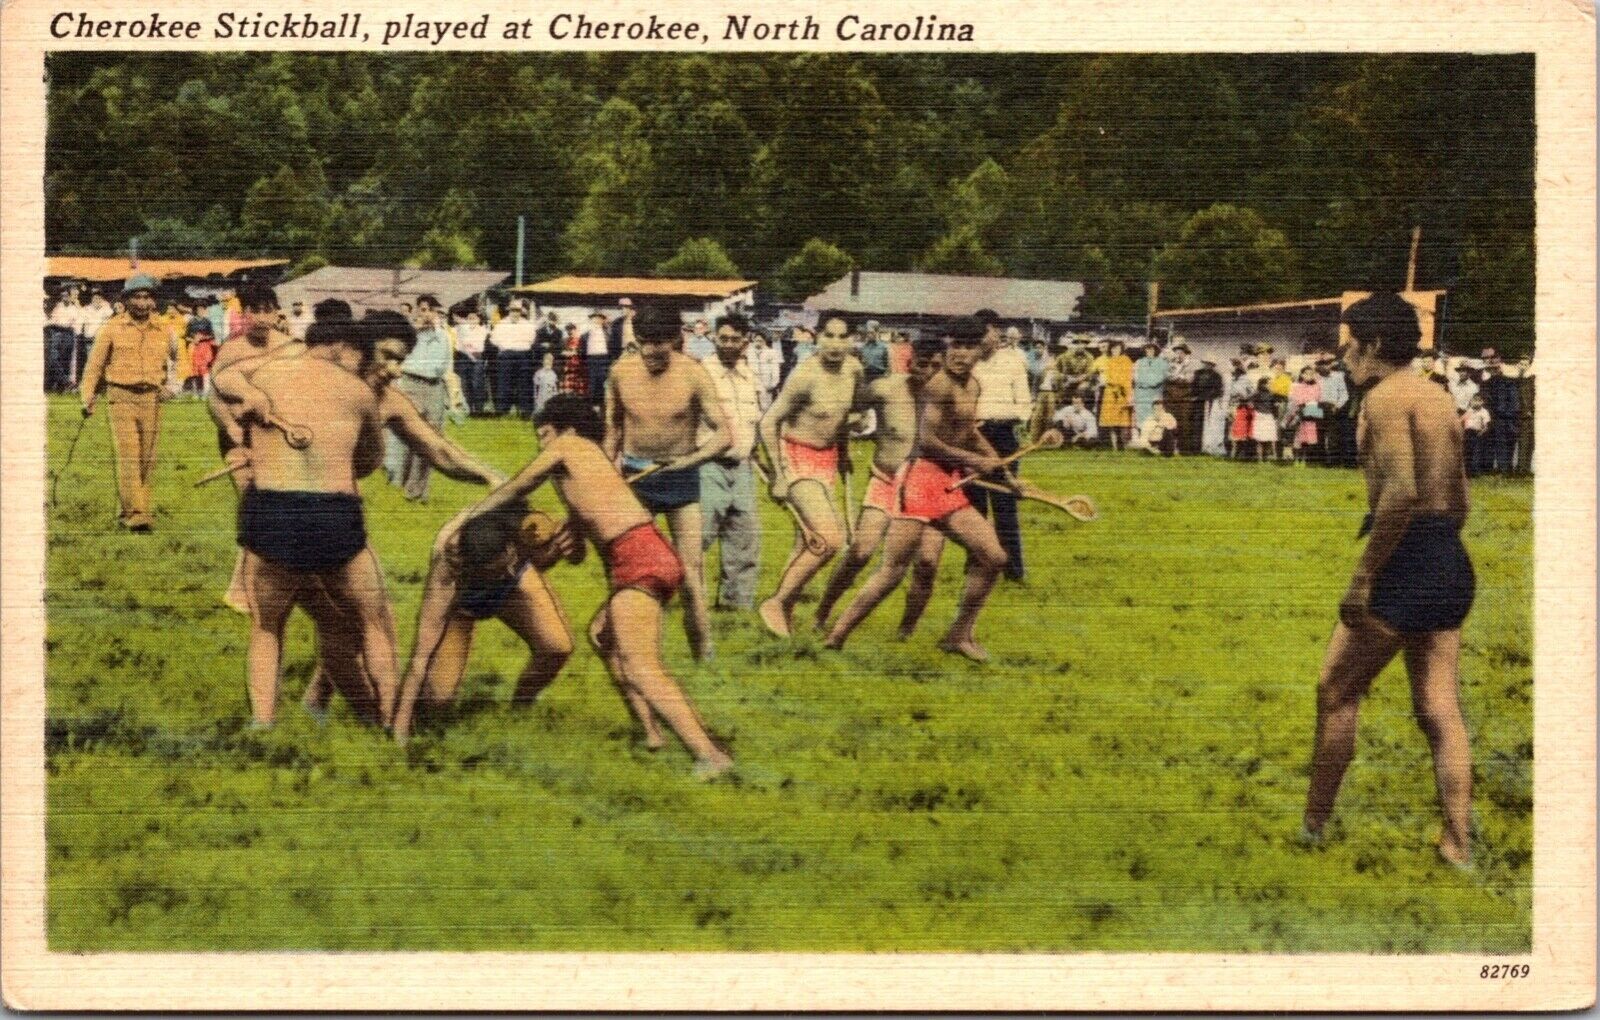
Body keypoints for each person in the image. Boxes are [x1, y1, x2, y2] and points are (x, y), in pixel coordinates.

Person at [425, 394, 733, 776]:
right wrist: (564, 543)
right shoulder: (584, 471)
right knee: (603, 637)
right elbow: (578, 553)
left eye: (544, 434)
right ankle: (651, 734)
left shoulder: (570, 447)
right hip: (642, 557)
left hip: (640, 559)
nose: (541, 444)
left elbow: (517, 486)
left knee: (642, 667)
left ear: (567, 430)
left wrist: (463, 521)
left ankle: (709, 755)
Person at [1302, 292, 1476, 869]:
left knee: (1335, 690)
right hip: (1448, 556)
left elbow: (1400, 492)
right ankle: (1458, 844)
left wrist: (1364, 577)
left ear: (1373, 345)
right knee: (1439, 708)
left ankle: (1312, 830)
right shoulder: (1438, 396)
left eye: (1349, 344)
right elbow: (1461, 497)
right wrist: (1434, 552)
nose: (1343, 355)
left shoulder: (1382, 399)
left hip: (1405, 559)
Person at [224, 318, 401, 728]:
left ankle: (263, 724)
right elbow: (370, 461)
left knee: (267, 627)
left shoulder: (263, 374)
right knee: (372, 622)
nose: (361, 367)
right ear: (341, 348)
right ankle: (392, 723)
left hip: (271, 508)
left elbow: (223, 377)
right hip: (333, 512)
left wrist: (251, 396)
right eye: (359, 358)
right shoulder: (358, 392)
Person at [825, 318, 1017, 662]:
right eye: (955, 346)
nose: (960, 354)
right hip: (919, 480)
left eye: (969, 347)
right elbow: (927, 442)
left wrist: (1002, 471)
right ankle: (835, 637)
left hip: (946, 483)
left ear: (980, 351)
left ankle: (958, 635)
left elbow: (969, 432)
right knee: (893, 570)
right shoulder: (939, 386)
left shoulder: (973, 385)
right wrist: (974, 460)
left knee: (994, 557)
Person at [604, 304, 732, 661]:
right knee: (629, 570)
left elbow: (725, 435)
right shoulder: (620, 372)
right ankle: (622, 652)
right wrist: (607, 473)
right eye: (643, 342)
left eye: (658, 343)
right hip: (635, 477)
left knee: (690, 573)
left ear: (675, 339)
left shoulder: (693, 374)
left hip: (680, 478)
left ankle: (704, 657)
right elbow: (613, 430)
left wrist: (686, 462)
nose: (649, 351)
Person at [392, 504, 579, 733]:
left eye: (507, 562)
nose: (507, 571)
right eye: (496, 571)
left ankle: (521, 710)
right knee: (437, 700)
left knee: (557, 647)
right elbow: (419, 657)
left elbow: (564, 551)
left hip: (513, 588)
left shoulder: (526, 527)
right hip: (462, 607)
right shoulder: (446, 580)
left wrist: (568, 539)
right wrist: (399, 731)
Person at [814, 335, 942, 631]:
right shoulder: (885, 388)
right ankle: (821, 613)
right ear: (910, 363)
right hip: (886, 481)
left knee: (927, 563)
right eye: (923, 364)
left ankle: (905, 633)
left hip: (928, 489)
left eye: (937, 366)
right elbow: (845, 414)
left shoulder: (949, 397)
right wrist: (843, 449)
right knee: (861, 552)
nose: (929, 372)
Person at [756, 316, 862, 638]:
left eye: (842, 337)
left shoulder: (855, 370)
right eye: (828, 335)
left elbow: (843, 417)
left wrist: (843, 453)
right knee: (830, 540)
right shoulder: (804, 375)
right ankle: (775, 603)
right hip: (795, 457)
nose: (835, 344)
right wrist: (778, 475)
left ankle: (783, 616)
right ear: (817, 337)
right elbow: (768, 423)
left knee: (806, 543)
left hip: (827, 460)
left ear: (852, 340)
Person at [77, 273, 178, 532]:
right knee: (129, 455)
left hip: (152, 399)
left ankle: (129, 510)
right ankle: (137, 514)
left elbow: (180, 360)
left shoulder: (164, 329)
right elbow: (94, 366)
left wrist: (172, 386)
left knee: (147, 458)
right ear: (126, 300)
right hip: (120, 397)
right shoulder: (112, 328)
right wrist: (87, 397)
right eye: (137, 297)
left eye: (147, 297)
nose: (142, 303)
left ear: (154, 301)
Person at [698, 315, 765, 612]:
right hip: (708, 465)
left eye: (734, 339)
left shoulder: (750, 376)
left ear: (745, 342)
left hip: (743, 468)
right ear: (714, 338)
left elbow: (756, 422)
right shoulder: (701, 373)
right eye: (722, 338)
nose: (727, 344)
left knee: (744, 537)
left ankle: (734, 607)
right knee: (699, 536)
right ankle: (686, 600)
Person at [970, 313, 1032, 581]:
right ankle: (976, 567)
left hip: (1004, 435)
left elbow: (1024, 404)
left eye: (986, 332)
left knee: (1005, 504)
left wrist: (1006, 419)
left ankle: (1013, 571)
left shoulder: (1013, 362)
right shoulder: (968, 362)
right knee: (975, 506)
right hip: (972, 437)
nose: (982, 339)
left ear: (996, 332)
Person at [383, 294, 451, 501]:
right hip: (410, 384)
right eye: (422, 310)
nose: (426, 314)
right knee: (406, 436)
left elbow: (442, 366)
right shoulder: (409, 335)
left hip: (434, 387)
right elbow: (397, 358)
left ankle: (417, 490)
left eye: (430, 310)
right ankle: (398, 481)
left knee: (430, 439)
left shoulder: (442, 336)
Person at [490, 302, 537, 418]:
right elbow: (494, 340)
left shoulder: (527, 324)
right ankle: (502, 410)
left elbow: (532, 339)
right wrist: (506, 345)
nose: (515, 313)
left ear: (521, 312)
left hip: (523, 355)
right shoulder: (501, 324)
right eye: (513, 310)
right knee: (504, 383)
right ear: (509, 311)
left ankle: (525, 411)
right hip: (506, 355)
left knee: (524, 384)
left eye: (517, 311)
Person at [1478, 352, 1520, 475]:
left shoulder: (1509, 383)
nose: (1494, 371)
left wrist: (1507, 415)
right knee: (1489, 444)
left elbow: (1514, 402)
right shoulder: (1485, 384)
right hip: (1489, 418)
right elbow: (1482, 401)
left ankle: (1505, 469)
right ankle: (1488, 469)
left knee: (1504, 444)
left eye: (1496, 369)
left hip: (1504, 419)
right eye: (1491, 369)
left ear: (1500, 369)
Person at [1131, 340, 1170, 449]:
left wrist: (1146, 382)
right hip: (1141, 394)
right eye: (1147, 349)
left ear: (1156, 350)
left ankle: (1155, 444)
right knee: (1141, 418)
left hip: (1154, 394)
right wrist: (1144, 382)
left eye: (1151, 349)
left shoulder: (1162, 363)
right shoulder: (1139, 362)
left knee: (1155, 418)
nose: (1149, 351)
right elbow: (1135, 377)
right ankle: (1144, 444)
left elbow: (1159, 378)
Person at [1317, 354, 1354, 468]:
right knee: (1319, 434)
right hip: (1318, 406)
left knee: (1333, 435)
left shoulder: (1338, 376)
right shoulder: (1316, 377)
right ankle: (1321, 461)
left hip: (1332, 407)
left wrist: (1337, 406)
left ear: (1331, 364)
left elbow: (1344, 394)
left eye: (1327, 364)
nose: (1325, 366)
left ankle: (1333, 461)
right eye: (1321, 364)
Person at [1096, 339, 1134, 449]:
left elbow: (1128, 378)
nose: (1115, 350)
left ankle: (1121, 444)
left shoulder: (1126, 360)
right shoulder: (1109, 361)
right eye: (1113, 348)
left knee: (1121, 419)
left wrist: (1128, 395)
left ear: (1121, 349)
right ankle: (1110, 445)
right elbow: (1106, 378)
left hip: (1122, 392)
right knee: (1109, 420)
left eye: (1117, 348)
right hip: (1110, 392)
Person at [594, 298, 634, 400]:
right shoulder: (617, 322)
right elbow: (612, 341)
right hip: (620, 354)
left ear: (630, 308)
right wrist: (613, 356)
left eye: (624, 307)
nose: (622, 310)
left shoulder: (637, 320)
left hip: (635, 353)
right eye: (620, 308)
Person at [453, 309, 491, 415]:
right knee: (465, 384)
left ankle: (479, 409)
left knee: (477, 384)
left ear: (479, 319)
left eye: (473, 318)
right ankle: (470, 409)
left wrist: (467, 343)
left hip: (477, 358)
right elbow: (458, 344)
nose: (471, 320)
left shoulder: (483, 330)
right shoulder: (461, 329)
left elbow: (478, 346)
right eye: (469, 318)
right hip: (463, 358)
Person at [1287, 365, 1324, 466]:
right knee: (1298, 437)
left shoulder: (1317, 386)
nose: (1309, 376)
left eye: (1311, 374)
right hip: (1300, 413)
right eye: (1306, 374)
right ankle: (1296, 459)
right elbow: (1295, 399)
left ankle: (1304, 460)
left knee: (1309, 438)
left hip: (1312, 413)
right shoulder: (1297, 386)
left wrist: (1312, 404)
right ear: (1302, 375)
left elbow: (1318, 398)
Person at [1194, 357, 1228, 456]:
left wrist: (1209, 396)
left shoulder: (1217, 376)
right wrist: (1197, 395)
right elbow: (1194, 386)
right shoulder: (1198, 373)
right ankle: (1198, 447)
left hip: (1211, 401)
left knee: (1210, 423)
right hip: (1199, 401)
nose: (1207, 365)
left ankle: (1209, 446)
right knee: (1198, 423)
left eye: (1209, 364)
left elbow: (1218, 389)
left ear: (1212, 365)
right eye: (1205, 363)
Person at [1249, 378, 1279, 461]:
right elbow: (1250, 402)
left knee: (1272, 438)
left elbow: (1275, 406)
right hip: (1260, 416)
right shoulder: (1257, 393)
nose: (1270, 385)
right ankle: (1260, 459)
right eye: (1269, 383)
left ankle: (1274, 457)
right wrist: (1255, 408)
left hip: (1269, 416)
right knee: (1260, 439)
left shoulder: (1272, 394)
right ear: (1263, 384)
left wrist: (1275, 416)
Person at [1461, 393, 1490, 476]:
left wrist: (1481, 432)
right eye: (1474, 400)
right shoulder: (1469, 410)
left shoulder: (1484, 412)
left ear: (1482, 402)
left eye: (1478, 400)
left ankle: (1476, 471)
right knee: (1467, 452)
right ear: (1471, 401)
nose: (1476, 402)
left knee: (1476, 452)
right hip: (1467, 433)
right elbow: (1461, 420)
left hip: (1477, 433)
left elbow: (1486, 426)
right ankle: (1467, 470)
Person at [187, 319, 217, 397]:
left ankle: (205, 394)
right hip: (196, 350)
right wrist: (194, 340)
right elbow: (187, 337)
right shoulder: (192, 323)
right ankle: (197, 393)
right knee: (196, 372)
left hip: (205, 350)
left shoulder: (207, 323)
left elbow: (213, 337)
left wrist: (202, 338)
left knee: (205, 372)